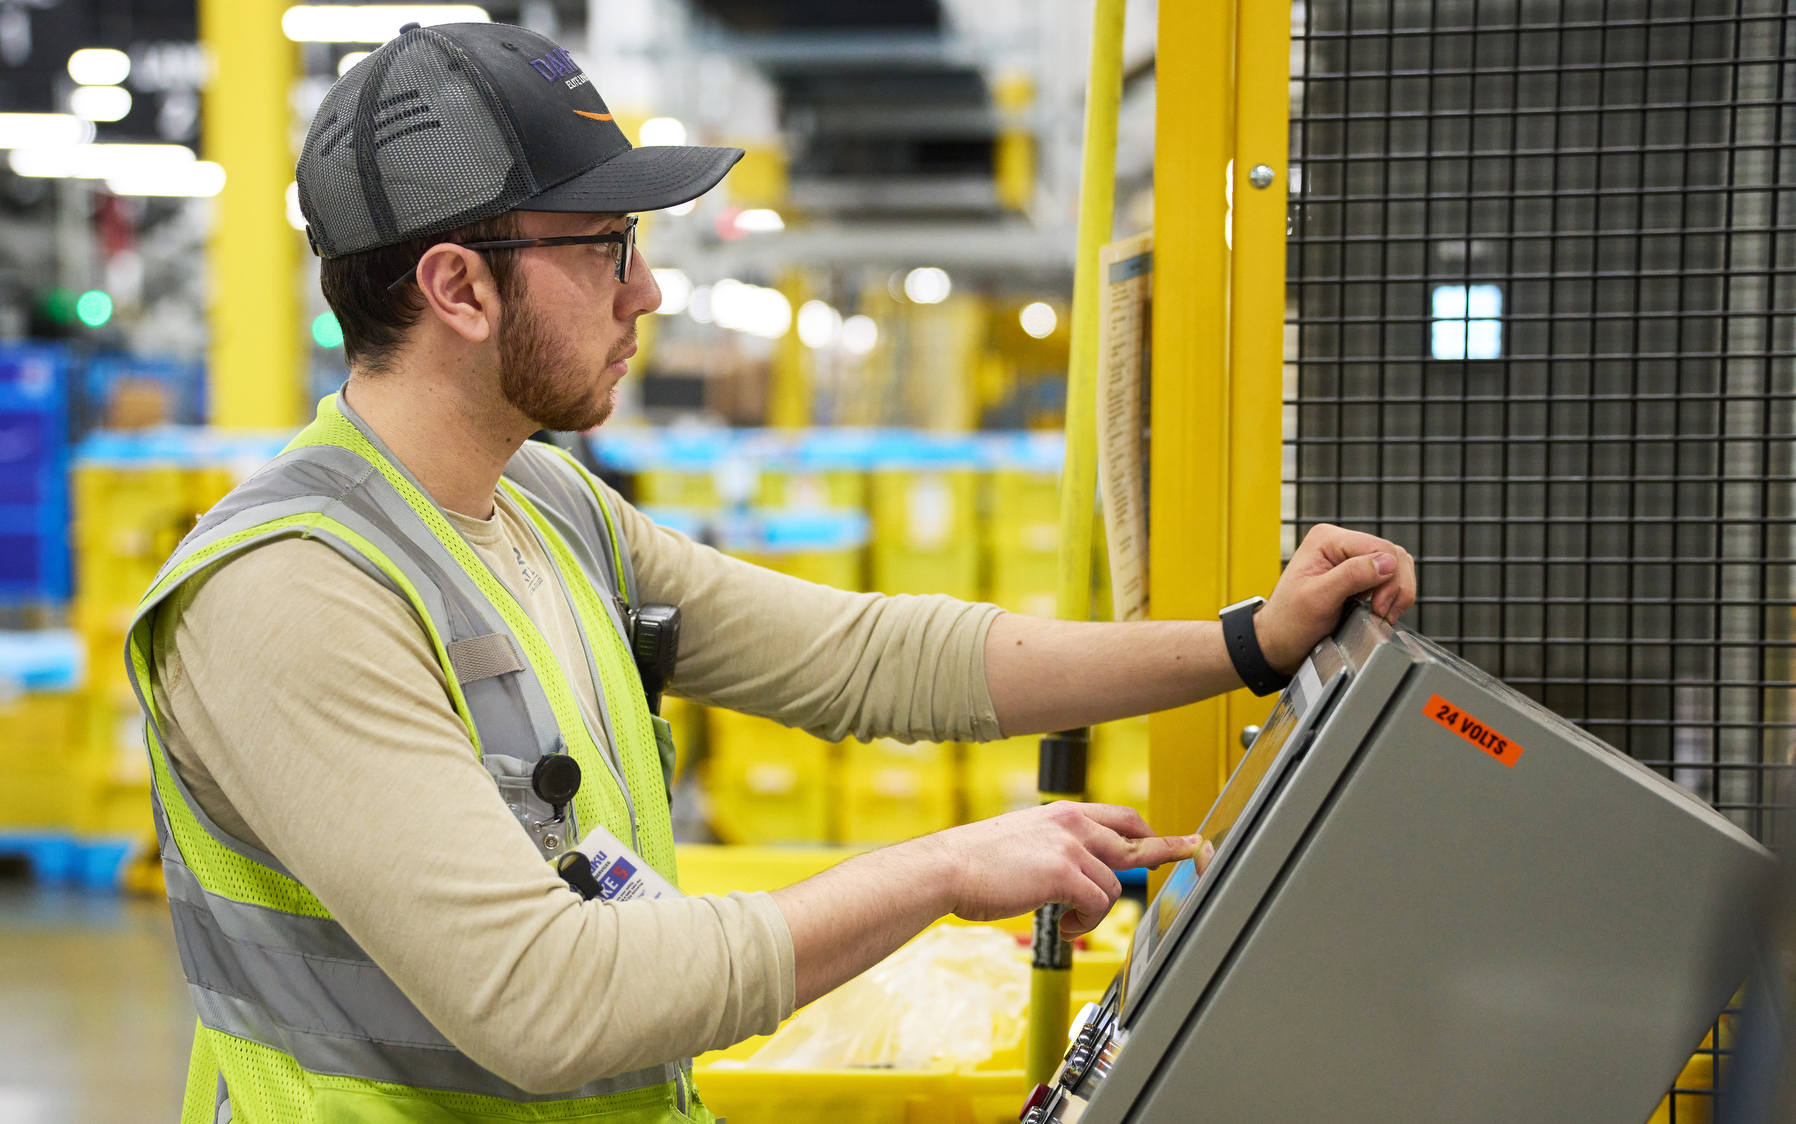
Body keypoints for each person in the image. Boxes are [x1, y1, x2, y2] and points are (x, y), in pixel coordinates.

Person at [125, 22, 1418, 1124]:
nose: (645, 293)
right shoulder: (290, 596)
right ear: (459, 287)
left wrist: (1248, 640)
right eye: (605, 248)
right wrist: (943, 871)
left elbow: (866, 656)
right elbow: (549, 999)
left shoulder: (540, 503)